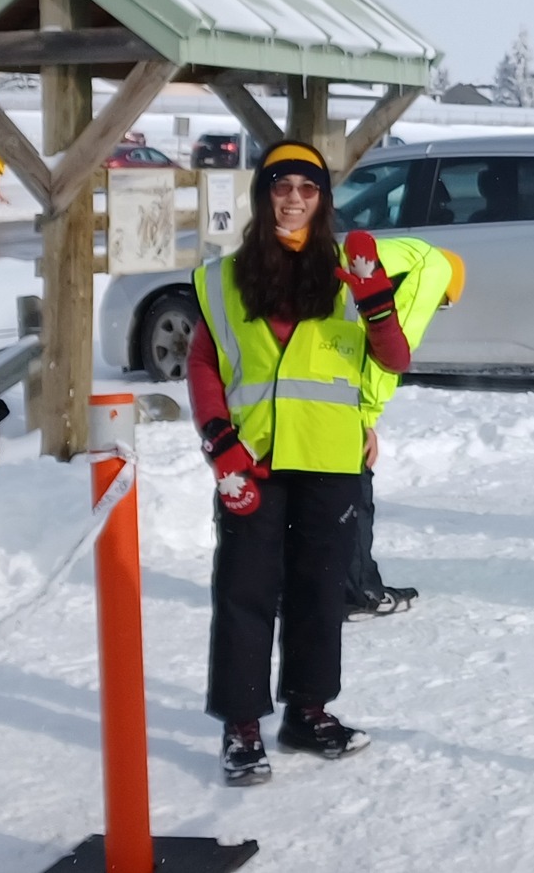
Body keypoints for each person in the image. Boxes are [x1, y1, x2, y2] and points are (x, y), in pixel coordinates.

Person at [190, 141, 418, 785]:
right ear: (264, 198)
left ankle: (308, 712)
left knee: (320, 593)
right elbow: (205, 364)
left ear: (323, 200)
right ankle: (241, 726)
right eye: (281, 186)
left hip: (328, 458)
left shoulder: (355, 271)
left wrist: (376, 303)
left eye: (307, 188)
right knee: (245, 593)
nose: (293, 198)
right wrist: (218, 441)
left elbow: (393, 359)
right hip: (253, 457)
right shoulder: (222, 277)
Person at [343, 242, 460, 620]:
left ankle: (293, 591)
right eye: (441, 305)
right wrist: (365, 418)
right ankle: (360, 592)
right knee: (351, 499)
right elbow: (389, 351)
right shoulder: (434, 266)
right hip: (344, 406)